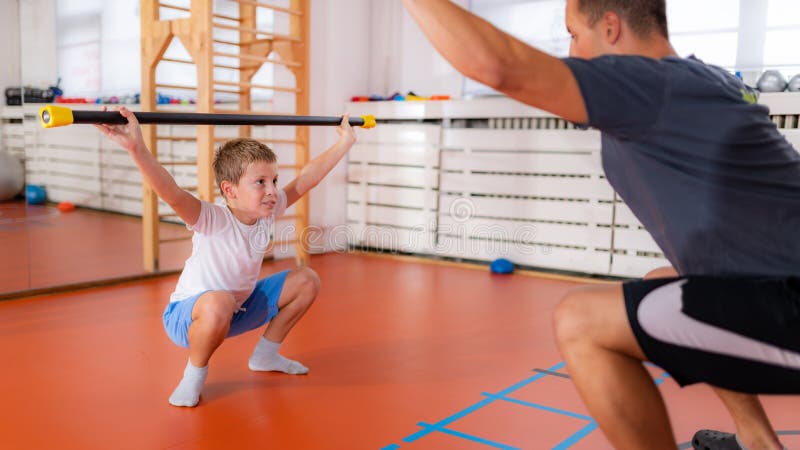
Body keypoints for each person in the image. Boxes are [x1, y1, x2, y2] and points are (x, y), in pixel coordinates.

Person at [402, 1, 800, 449]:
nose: (571, 52)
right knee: (668, 284)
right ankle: (758, 442)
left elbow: (498, 66)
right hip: (778, 284)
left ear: (610, 27)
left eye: (573, 34)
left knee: (581, 321)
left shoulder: (653, 86)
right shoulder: (707, 79)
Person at [96, 106, 356, 407]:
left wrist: (344, 143)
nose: (272, 190)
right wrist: (136, 147)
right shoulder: (213, 218)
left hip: (237, 308)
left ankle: (265, 355)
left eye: (274, 180)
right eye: (260, 182)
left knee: (306, 279)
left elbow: (307, 179)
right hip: (189, 317)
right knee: (219, 301)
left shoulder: (267, 211)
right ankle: (193, 375)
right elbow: (172, 193)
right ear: (229, 190)